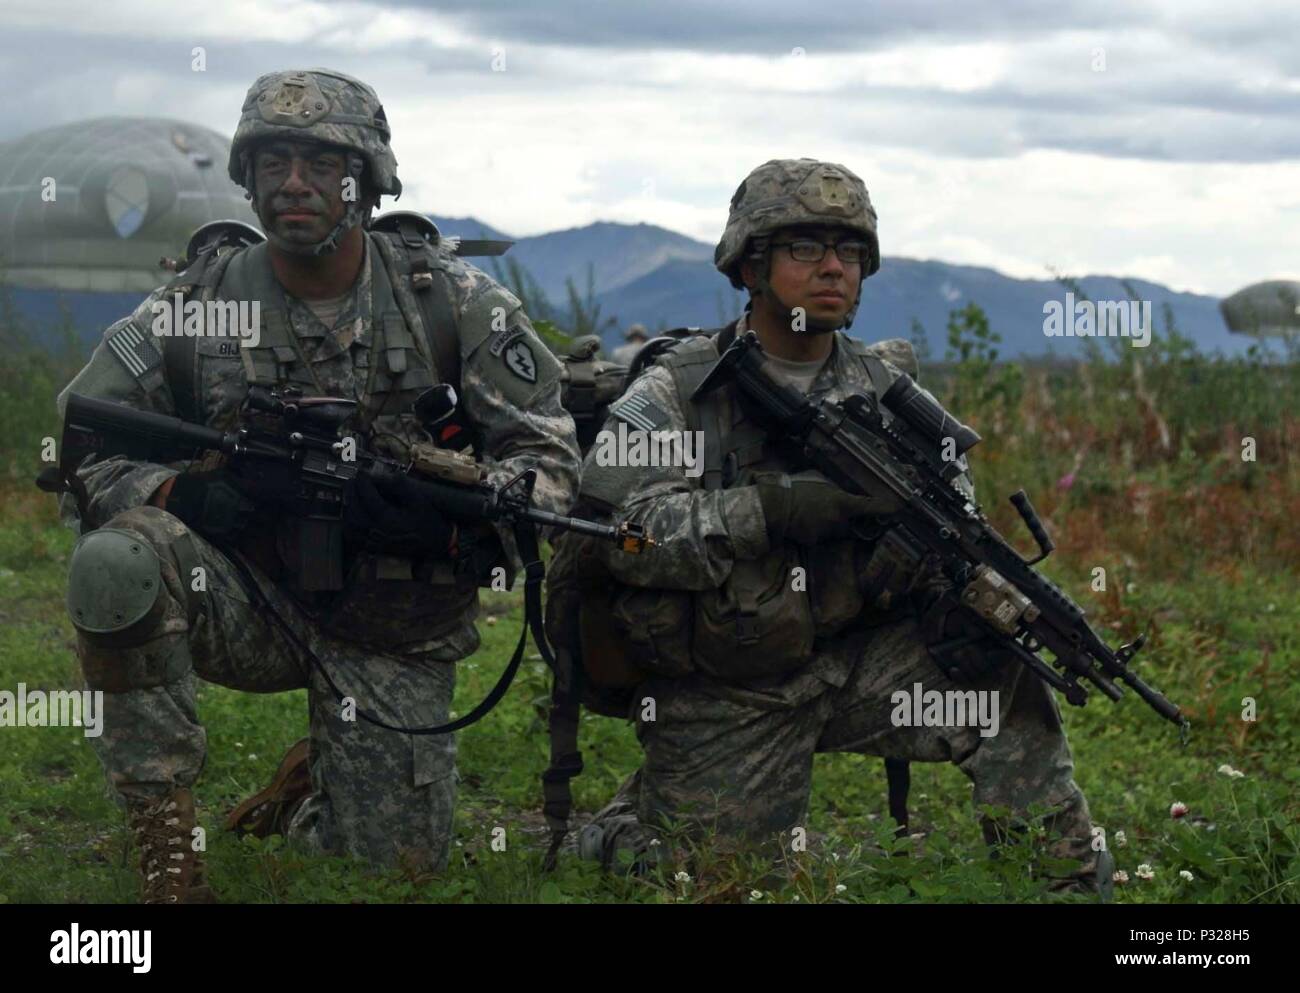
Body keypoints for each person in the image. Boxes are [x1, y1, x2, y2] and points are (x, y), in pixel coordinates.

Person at [55, 68, 581, 903]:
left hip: (391, 616)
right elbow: (81, 446)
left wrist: (452, 518)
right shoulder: (198, 307)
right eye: (273, 163)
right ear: (248, 178)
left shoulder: (451, 301)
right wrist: (179, 497)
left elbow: (552, 459)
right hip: (247, 594)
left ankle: (313, 786)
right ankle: (166, 847)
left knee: (394, 871)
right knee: (118, 561)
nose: (294, 184)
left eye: (321, 163)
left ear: (366, 179)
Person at [570, 158, 1111, 898]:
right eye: (805, 249)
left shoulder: (890, 395)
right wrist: (769, 510)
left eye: (850, 252)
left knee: (1000, 667)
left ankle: (1062, 879)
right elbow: (620, 538)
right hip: (733, 683)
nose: (834, 268)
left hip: (860, 666)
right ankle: (620, 830)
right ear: (750, 264)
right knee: (718, 880)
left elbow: (956, 516)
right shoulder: (680, 390)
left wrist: (945, 587)